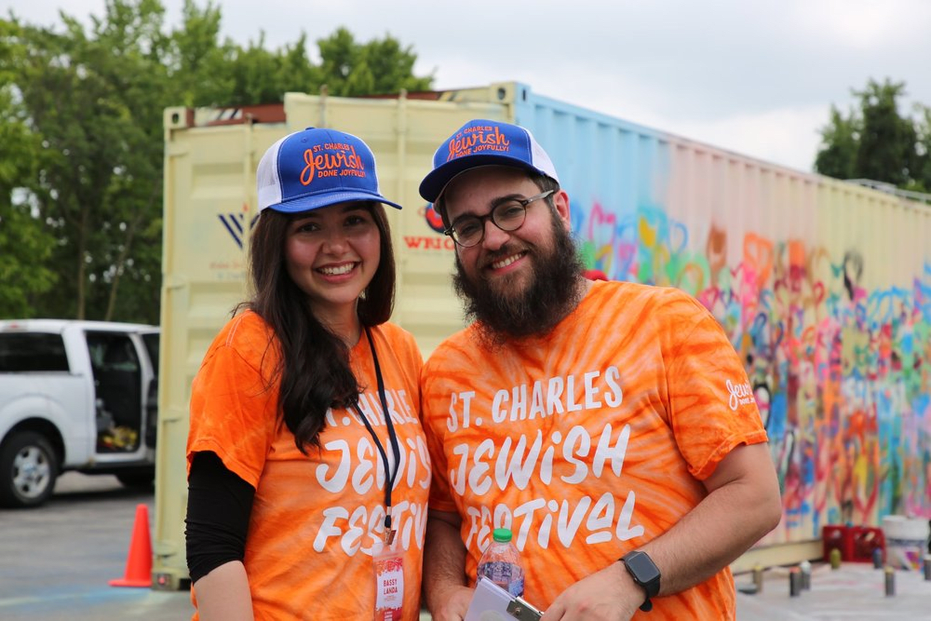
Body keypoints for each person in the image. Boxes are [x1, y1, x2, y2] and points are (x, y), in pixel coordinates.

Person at [417, 119, 782, 620]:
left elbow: (755, 496)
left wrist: (632, 577)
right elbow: (442, 515)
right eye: (469, 226)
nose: (494, 238)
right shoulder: (445, 372)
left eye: (511, 210)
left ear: (559, 210)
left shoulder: (664, 325)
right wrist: (442, 591)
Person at [185, 127, 431, 620]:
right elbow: (212, 545)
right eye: (309, 227)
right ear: (277, 243)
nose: (337, 246)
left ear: (379, 232)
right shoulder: (250, 348)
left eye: (355, 221)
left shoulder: (398, 349)